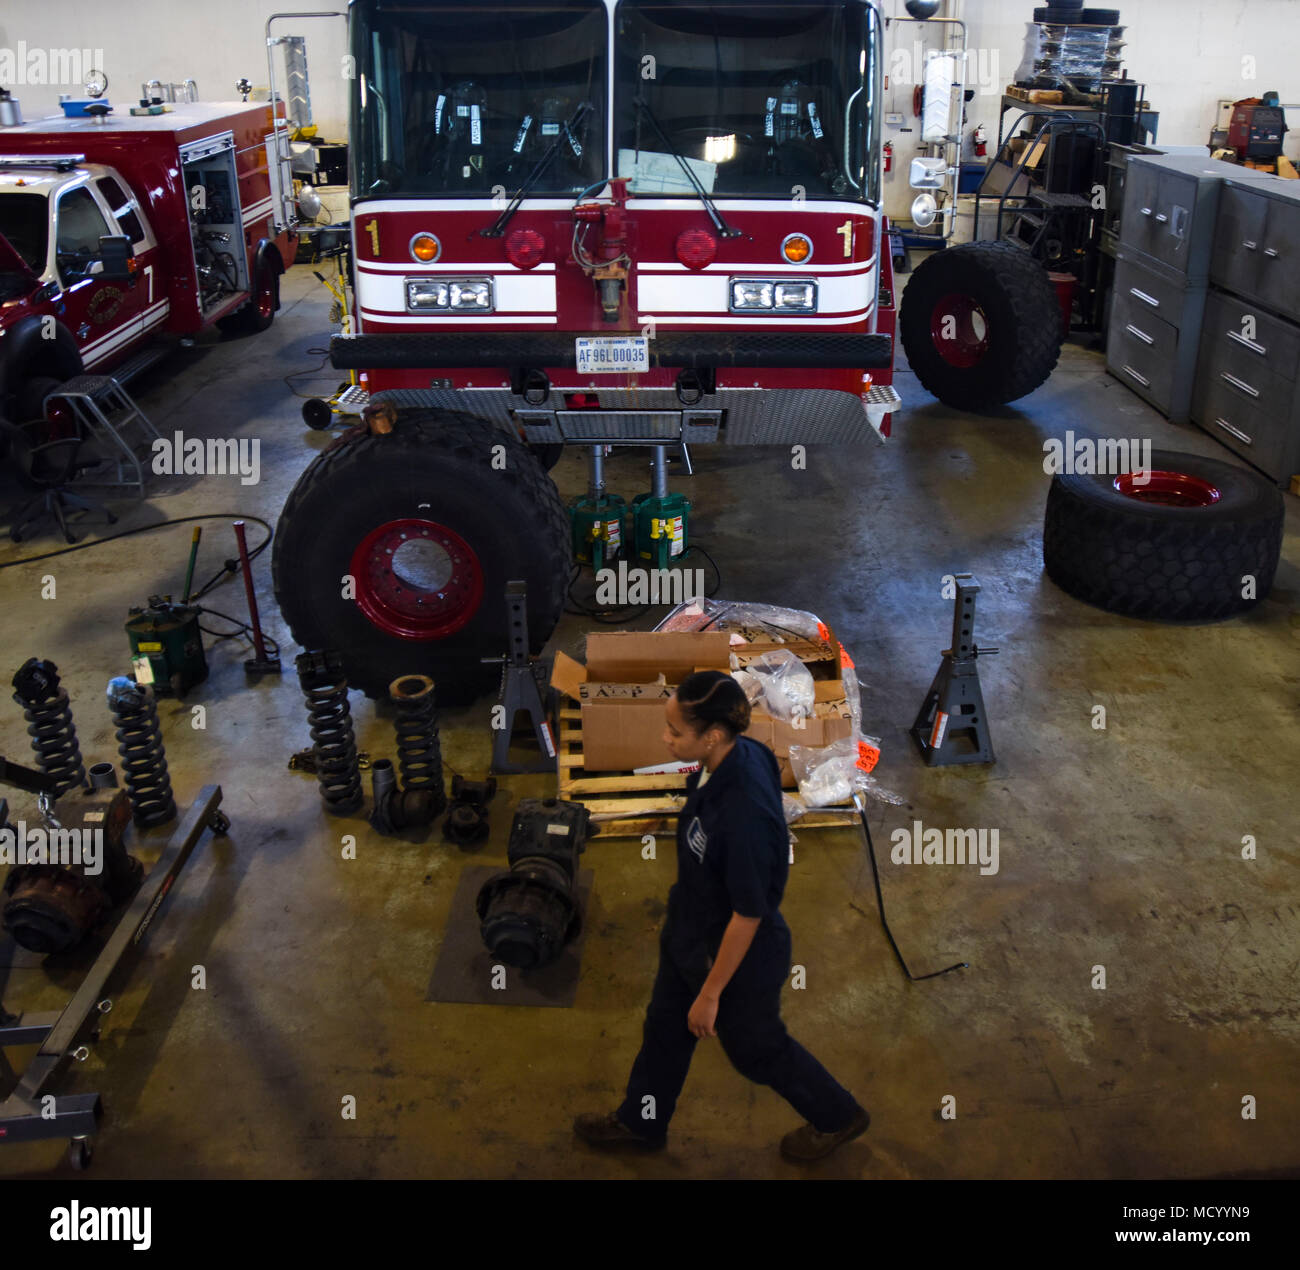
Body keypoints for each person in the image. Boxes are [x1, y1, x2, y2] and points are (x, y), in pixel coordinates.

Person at [574, 669, 869, 1162]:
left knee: (755, 1049)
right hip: (693, 929)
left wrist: (711, 994)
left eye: (674, 732)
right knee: (665, 1028)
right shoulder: (736, 752)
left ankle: (837, 1115)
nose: (665, 739)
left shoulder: (743, 815)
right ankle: (641, 1124)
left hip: (738, 955)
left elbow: (749, 915)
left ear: (711, 736)